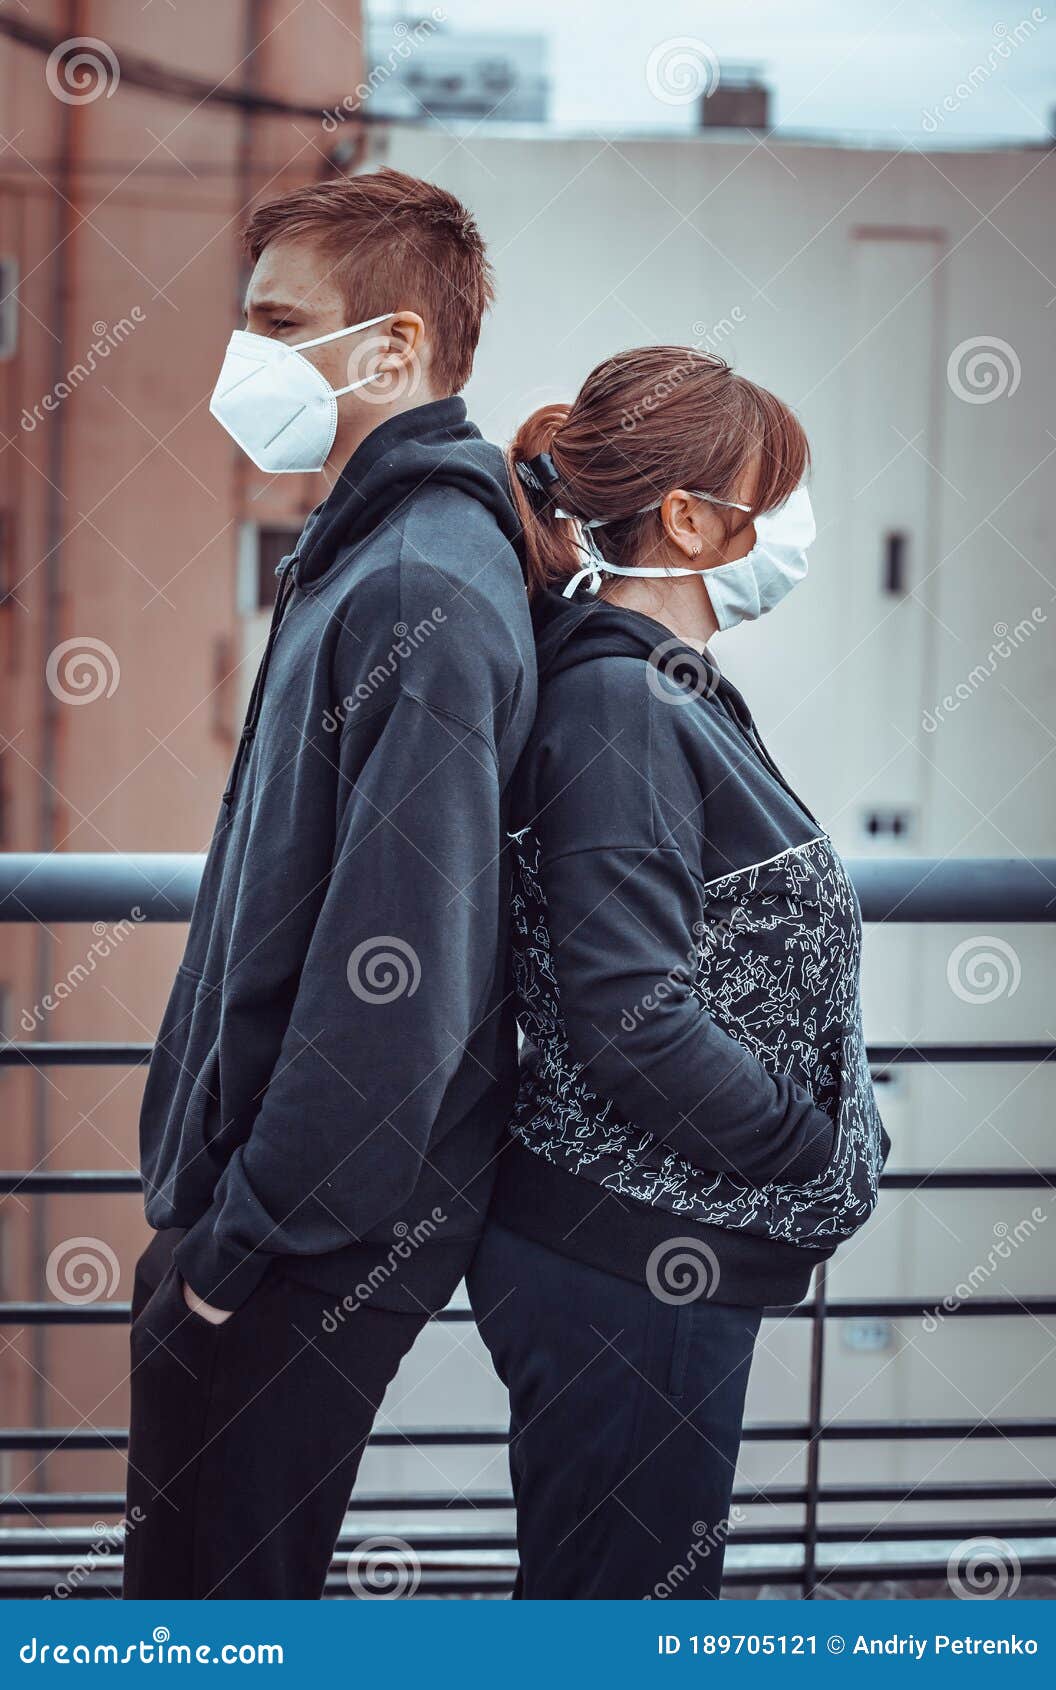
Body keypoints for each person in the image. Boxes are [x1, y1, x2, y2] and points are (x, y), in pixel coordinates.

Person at [123, 170, 536, 1599]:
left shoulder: (419, 583)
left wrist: (239, 1246)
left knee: (229, 1602)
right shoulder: (369, 551)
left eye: (279, 322)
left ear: (396, 351)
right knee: (193, 1589)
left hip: (302, 1235)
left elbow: (396, 977)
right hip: (260, 1211)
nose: (246, 357)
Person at [467, 346, 890, 1600]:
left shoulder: (661, 690)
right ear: (695, 520)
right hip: (629, 1271)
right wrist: (809, 1157)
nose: (797, 523)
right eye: (780, 491)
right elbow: (632, 1013)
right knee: (619, 1628)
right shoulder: (619, 709)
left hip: (654, 1259)